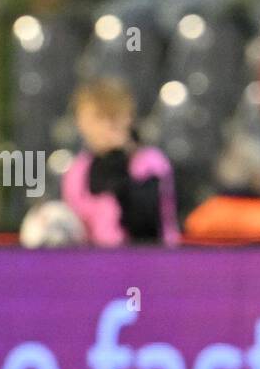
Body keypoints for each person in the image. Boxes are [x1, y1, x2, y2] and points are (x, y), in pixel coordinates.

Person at [62, 79, 180, 247]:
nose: (106, 125)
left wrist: (117, 160)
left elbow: (146, 226)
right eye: (98, 117)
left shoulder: (150, 163)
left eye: (113, 116)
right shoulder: (77, 170)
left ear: (129, 119)